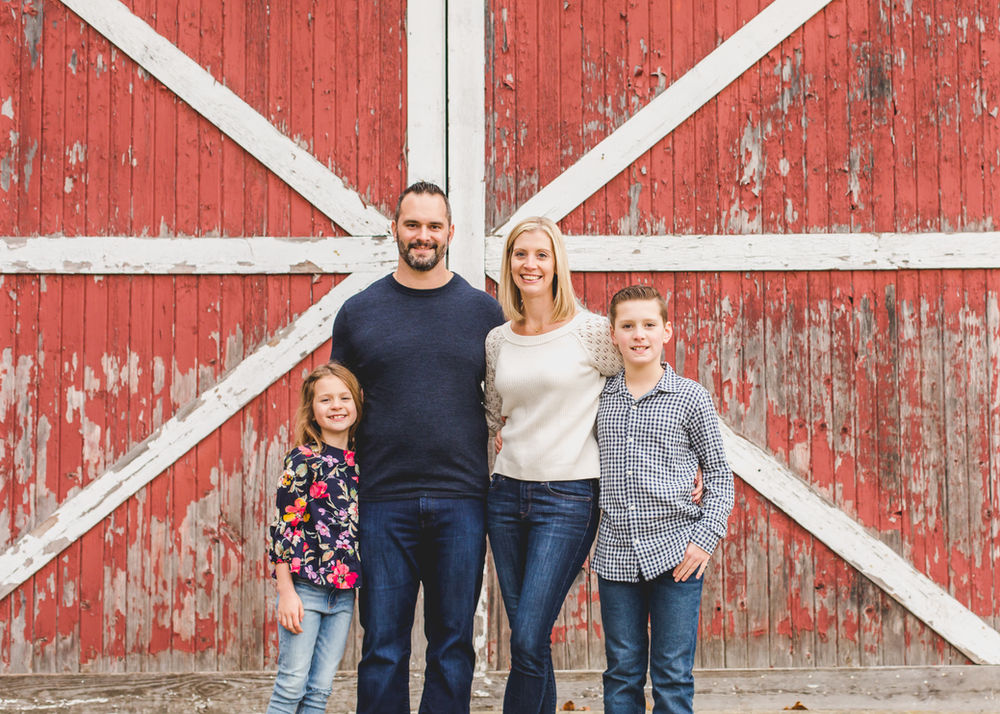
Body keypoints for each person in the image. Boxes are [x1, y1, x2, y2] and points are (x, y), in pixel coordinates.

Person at [330, 181, 505, 714]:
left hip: (462, 501)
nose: (423, 236)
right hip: (382, 500)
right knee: (383, 645)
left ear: (450, 233)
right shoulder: (359, 312)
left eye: (434, 226)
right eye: (413, 224)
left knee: (453, 645)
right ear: (395, 229)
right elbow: (336, 405)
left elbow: (518, 398)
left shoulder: (484, 313)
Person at [483, 216, 622, 714]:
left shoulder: (590, 333)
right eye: (521, 254)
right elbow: (492, 414)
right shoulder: (499, 340)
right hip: (503, 498)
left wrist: (681, 458)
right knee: (530, 641)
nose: (530, 264)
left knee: (525, 639)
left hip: (567, 498)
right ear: (509, 265)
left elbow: (649, 380)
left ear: (557, 263)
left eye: (541, 254)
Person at [592, 284, 735, 714]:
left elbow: (719, 475)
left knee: (672, 674)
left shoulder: (689, 397)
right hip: (616, 555)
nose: (639, 335)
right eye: (628, 326)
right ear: (613, 334)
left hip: (678, 554)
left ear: (667, 331)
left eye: (649, 325)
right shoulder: (598, 398)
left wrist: (704, 539)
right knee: (621, 671)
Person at [266, 362, 363, 714]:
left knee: (320, 689)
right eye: (326, 400)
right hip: (304, 589)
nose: (336, 406)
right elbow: (283, 528)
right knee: (292, 685)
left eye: (343, 397)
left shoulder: (361, 462)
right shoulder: (303, 460)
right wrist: (286, 592)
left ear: (357, 403)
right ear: (312, 410)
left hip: (343, 594)